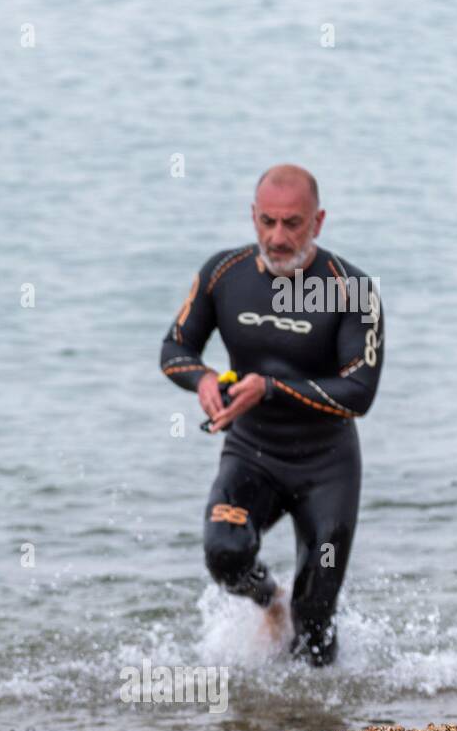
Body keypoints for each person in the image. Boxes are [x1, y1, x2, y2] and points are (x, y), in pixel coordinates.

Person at [159, 164, 384, 666]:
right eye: (267, 222)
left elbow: (359, 392)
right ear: (253, 217)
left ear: (318, 222)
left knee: (316, 620)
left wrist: (270, 387)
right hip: (252, 455)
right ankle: (269, 601)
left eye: (292, 223)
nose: (277, 238)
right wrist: (203, 379)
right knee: (225, 555)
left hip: (328, 467)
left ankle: (320, 729)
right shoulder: (224, 273)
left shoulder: (350, 289)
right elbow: (174, 347)